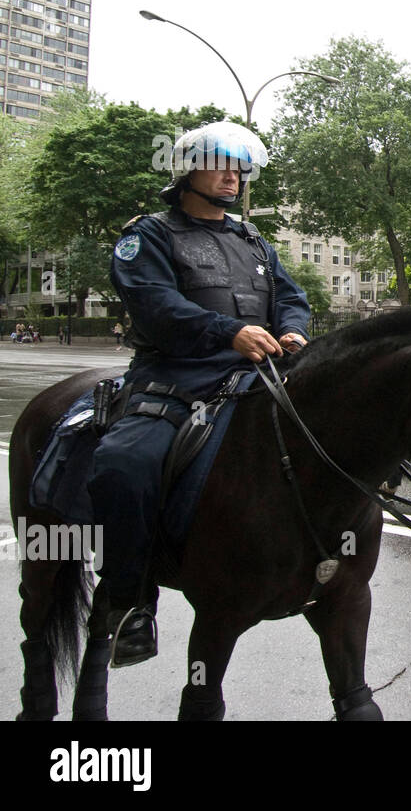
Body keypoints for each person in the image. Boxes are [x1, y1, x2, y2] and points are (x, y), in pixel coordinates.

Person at [87, 121, 310, 667]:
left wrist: (294, 329)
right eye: (222, 165)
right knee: (124, 462)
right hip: (174, 379)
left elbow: (291, 296)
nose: (234, 177)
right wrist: (225, 331)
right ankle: (128, 602)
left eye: (240, 168)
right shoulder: (149, 235)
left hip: (257, 375)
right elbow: (154, 304)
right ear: (188, 170)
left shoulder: (253, 239)